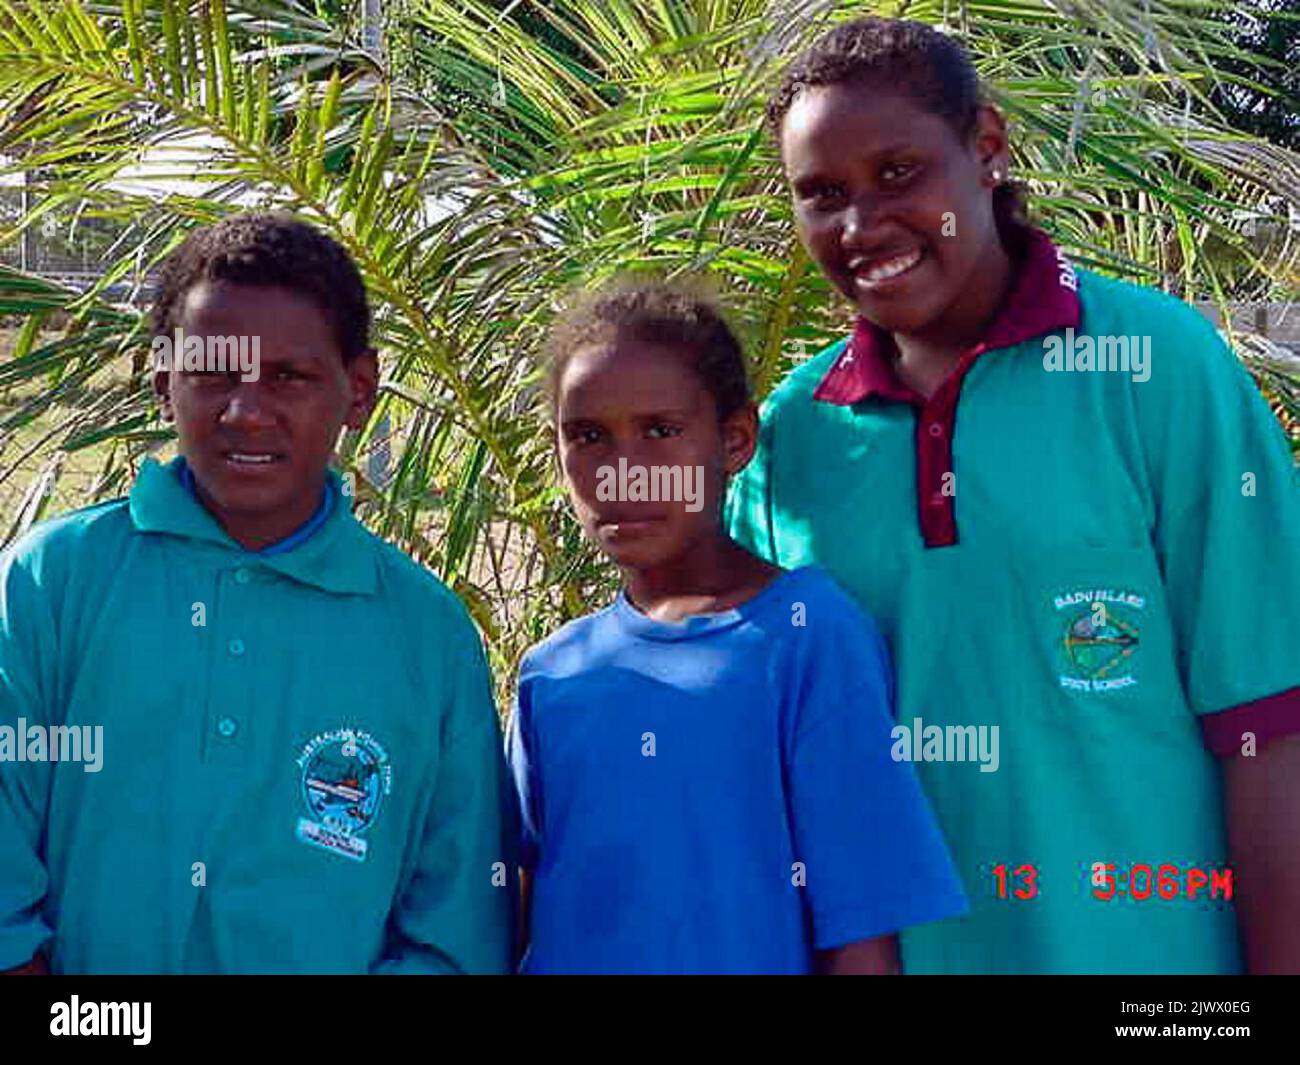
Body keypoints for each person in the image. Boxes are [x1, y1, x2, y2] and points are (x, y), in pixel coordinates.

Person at [728, 15, 1300, 973]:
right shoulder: (791, 438)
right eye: (823, 195)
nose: (862, 225)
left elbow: (1268, 731)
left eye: (899, 173)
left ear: (986, 149)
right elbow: (771, 778)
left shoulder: (1159, 369)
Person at [0, 213, 515, 974]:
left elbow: (457, 920)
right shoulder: (53, 581)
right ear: (162, 379)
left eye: (289, 376)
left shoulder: (426, 635)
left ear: (358, 389)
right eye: (213, 372)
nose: (246, 409)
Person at [506, 279, 967, 974]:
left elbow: (863, 931)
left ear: (735, 439)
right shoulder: (553, 674)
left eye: (660, 431)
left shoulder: (809, 637)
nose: (624, 471)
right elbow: (516, 907)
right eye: (589, 436)